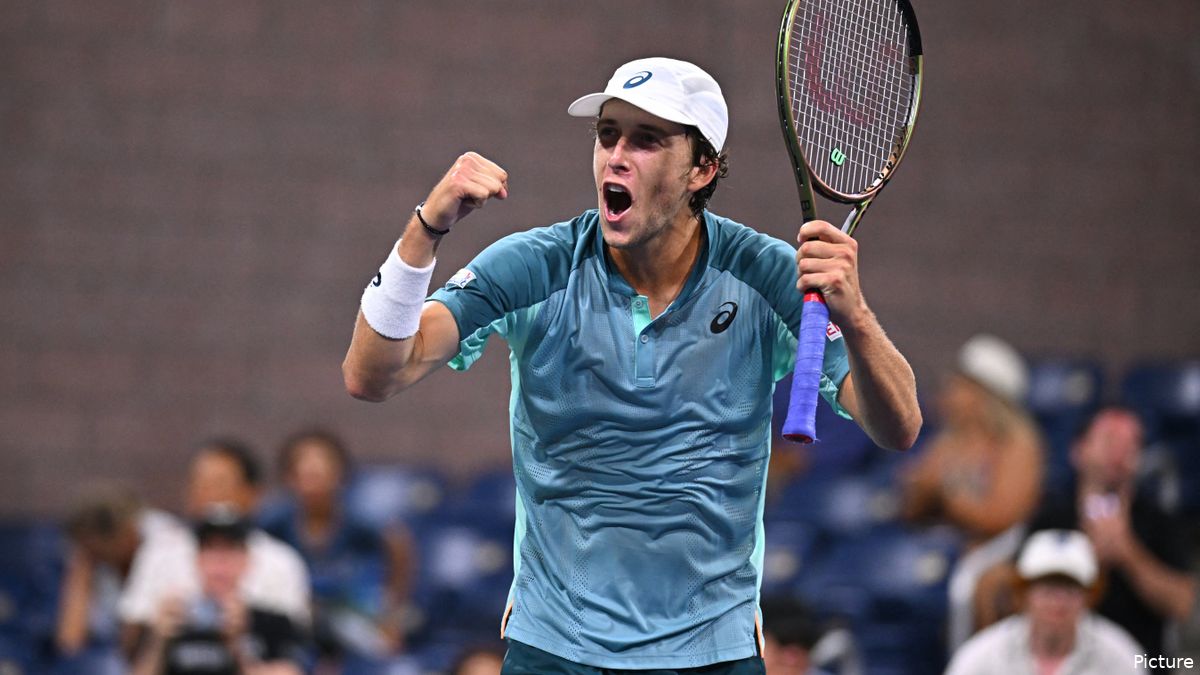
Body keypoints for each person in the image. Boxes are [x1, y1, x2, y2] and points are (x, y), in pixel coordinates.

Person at [342, 57, 921, 672]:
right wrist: (425, 230)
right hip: (556, 647)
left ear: (704, 168)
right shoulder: (535, 266)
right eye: (607, 134)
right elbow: (372, 374)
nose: (616, 156)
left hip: (711, 651)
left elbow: (899, 425)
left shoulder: (768, 276)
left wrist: (854, 315)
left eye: (646, 140)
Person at [976, 406, 1196, 660]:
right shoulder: (1052, 517)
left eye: (1132, 443)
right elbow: (1016, 594)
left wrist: (1128, 554)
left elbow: (1182, 605)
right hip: (1055, 658)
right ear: (1079, 451)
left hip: (1139, 660)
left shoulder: (1160, 521)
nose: (1120, 452)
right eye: (1110, 440)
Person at [899, 333, 1045, 650]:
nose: (949, 394)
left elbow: (1001, 517)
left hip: (1004, 547)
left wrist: (944, 492)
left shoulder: (1018, 445)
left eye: (962, 386)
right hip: (945, 547)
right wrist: (920, 491)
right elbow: (910, 510)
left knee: (974, 587)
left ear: (986, 395)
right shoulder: (946, 441)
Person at [120, 439, 311, 655]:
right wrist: (160, 631)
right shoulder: (161, 552)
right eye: (199, 483)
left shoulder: (280, 560)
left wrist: (253, 621)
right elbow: (128, 644)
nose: (208, 494)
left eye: (219, 483)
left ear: (252, 493)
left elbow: (298, 645)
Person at [259, 428, 415, 662]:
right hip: (298, 623)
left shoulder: (362, 521)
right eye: (305, 475)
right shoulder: (273, 524)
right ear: (289, 478)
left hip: (355, 617)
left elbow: (399, 548)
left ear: (340, 475)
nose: (313, 484)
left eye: (321, 474)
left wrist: (391, 614)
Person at [131, 504, 308, 675]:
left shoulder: (272, 622)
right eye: (211, 550)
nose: (220, 563)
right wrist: (158, 642)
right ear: (197, 559)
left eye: (230, 550)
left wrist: (238, 646)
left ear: (247, 561)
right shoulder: (173, 618)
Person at [944, 529, 1145, 675]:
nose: (1059, 601)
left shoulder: (1119, 657)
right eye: (1047, 589)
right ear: (1024, 593)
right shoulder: (982, 658)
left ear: (1089, 596)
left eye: (1070, 589)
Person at [56, 485, 184, 658]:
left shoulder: (166, 543)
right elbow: (69, 644)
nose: (95, 555)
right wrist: (81, 577)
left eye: (96, 549)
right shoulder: (92, 559)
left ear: (126, 530)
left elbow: (130, 644)